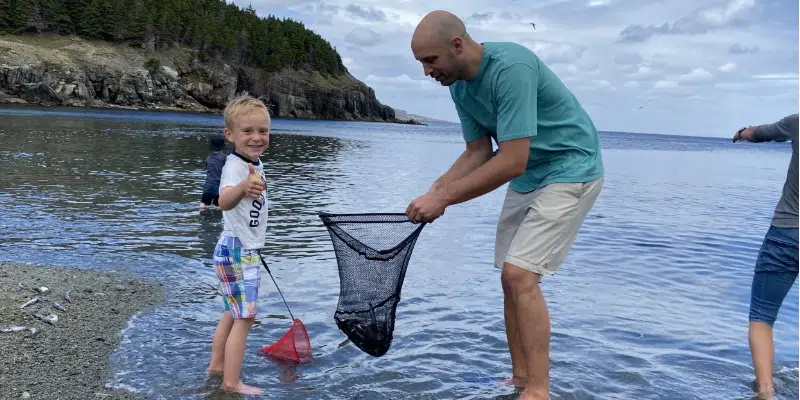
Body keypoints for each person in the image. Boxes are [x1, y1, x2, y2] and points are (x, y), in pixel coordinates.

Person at [405, 11, 604, 400]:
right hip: (530, 175)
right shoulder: (459, 85)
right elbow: (478, 151)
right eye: (422, 63)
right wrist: (436, 188)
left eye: (430, 60)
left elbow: (511, 159)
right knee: (509, 280)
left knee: (520, 276)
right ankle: (519, 379)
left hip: (571, 166)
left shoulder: (511, 67)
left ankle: (539, 390)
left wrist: (443, 199)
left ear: (457, 45)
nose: (427, 71)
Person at [207, 95, 270, 395]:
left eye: (263, 131)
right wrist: (243, 187)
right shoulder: (234, 166)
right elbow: (223, 201)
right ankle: (232, 382)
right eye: (248, 131)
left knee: (232, 312)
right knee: (245, 317)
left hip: (239, 248)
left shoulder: (253, 163)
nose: (257, 138)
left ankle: (218, 366)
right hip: (237, 251)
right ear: (229, 135)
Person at [733, 114, 798, 400]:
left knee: (762, 315)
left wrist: (743, 133)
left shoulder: (798, 123)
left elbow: (760, 133)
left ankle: (766, 390)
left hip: (786, 231)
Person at [200, 134, 228, 211]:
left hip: (208, 186)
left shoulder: (208, 157)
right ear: (223, 146)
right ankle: (216, 220)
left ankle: (203, 215)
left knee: (203, 204)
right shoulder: (225, 157)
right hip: (219, 186)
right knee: (219, 206)